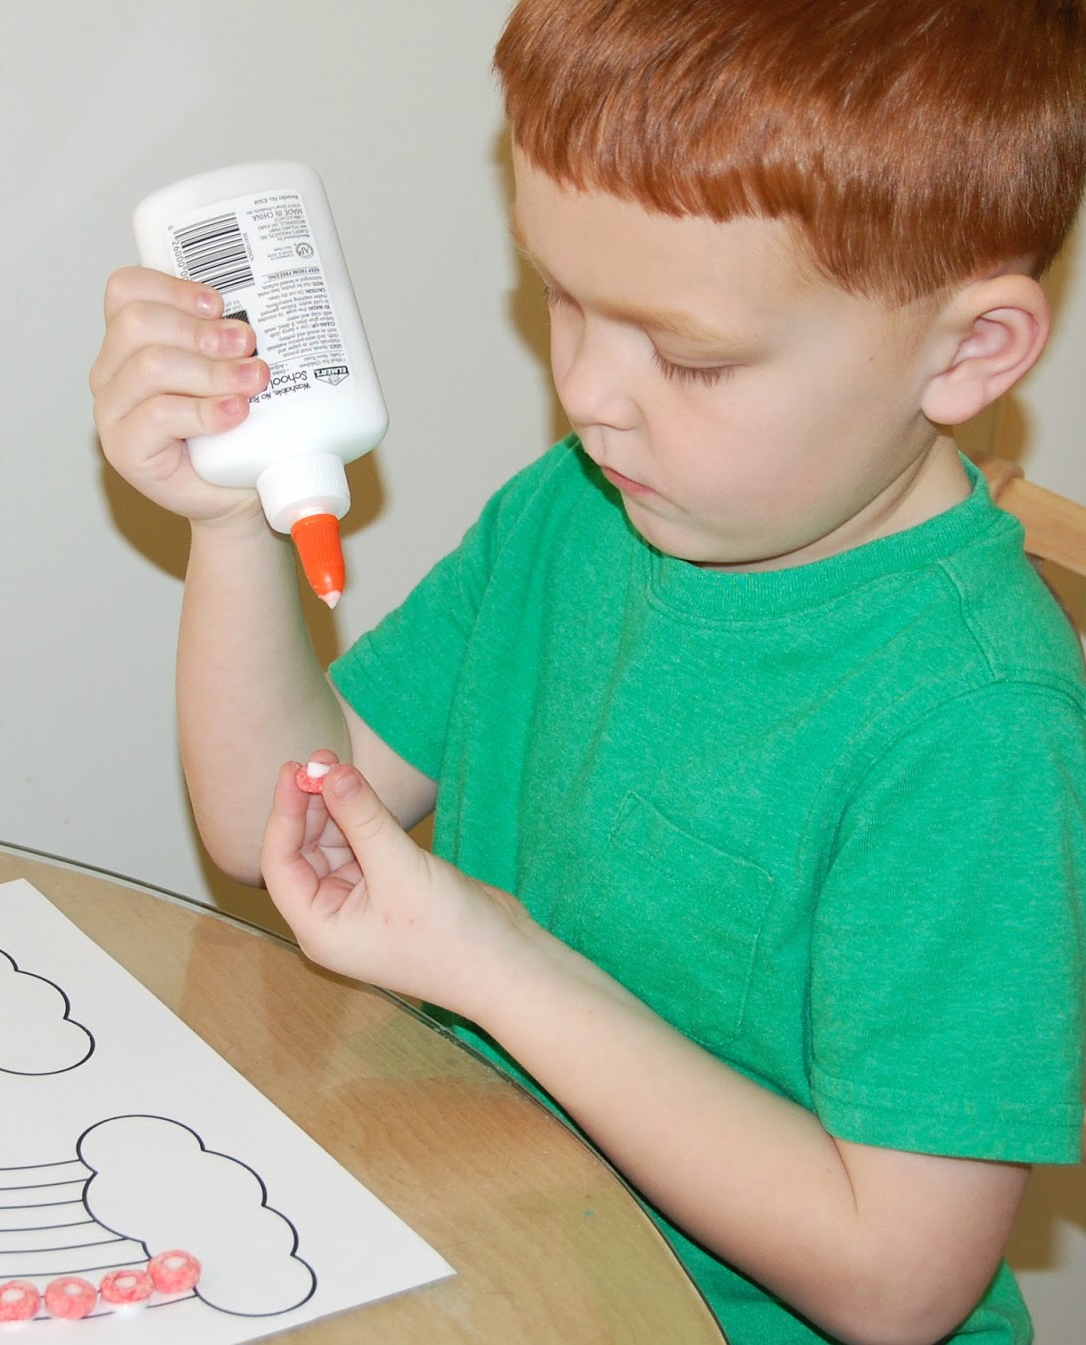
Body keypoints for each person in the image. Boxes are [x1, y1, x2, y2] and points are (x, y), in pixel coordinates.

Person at [88, 2, 1086, 1340]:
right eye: (561, 295)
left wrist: (497, 963)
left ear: (968, 352)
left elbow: (899, 1282)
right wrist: (227, 518)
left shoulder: (978, 727)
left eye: (689, 356)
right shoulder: (576, 511)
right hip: (507, 1261)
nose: (591, 391)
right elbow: (273, 815)